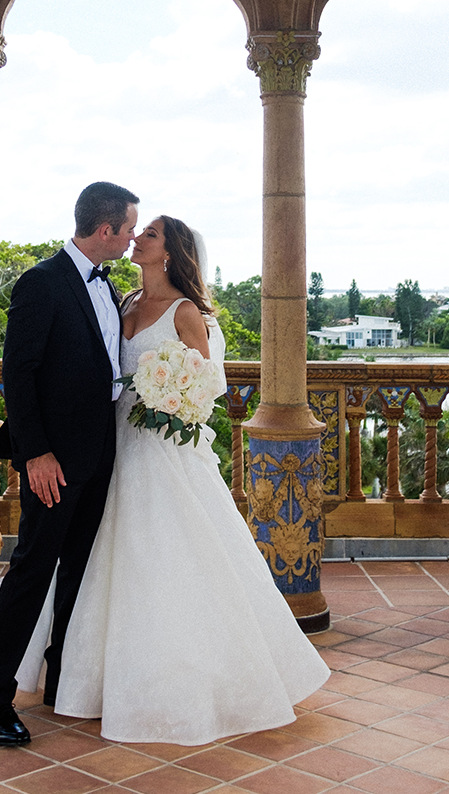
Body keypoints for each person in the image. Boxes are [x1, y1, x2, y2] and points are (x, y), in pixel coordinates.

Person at [48, 214, 331, 745]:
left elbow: (203, 388)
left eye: (148, 234)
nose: (136, 239)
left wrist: (167, 399)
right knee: (104, 556)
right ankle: (97, 677)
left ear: (170, 252)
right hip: (113, 444)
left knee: (164, 557)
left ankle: (174, 685)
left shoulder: (184, 313)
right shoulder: (123, 303)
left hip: (162, 451)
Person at [0, 180, 139, 747]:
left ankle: (61, 677)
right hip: (54, 464)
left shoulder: (109, 287)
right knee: (31, 572)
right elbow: (16, 375)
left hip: (102, 458)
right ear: (104, 229)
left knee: (79, 573)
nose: (133, 238)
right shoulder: (41, 284)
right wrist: (35, 453)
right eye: (129, 228)